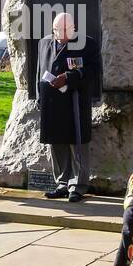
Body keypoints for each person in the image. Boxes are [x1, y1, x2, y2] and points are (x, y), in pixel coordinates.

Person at [35, 12, 101, 202]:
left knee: (77, 144)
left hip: (74, 102)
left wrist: (70, 77)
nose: (61, 34)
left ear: (74, 28)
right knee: (57, 144)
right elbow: (39, 71)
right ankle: (62, 183)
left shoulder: (86, 43)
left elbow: (93, 71)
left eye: (66, 30)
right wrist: (40, 98)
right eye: (57, 30)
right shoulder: (44, 43)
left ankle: (77, 185)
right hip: (52, 103)